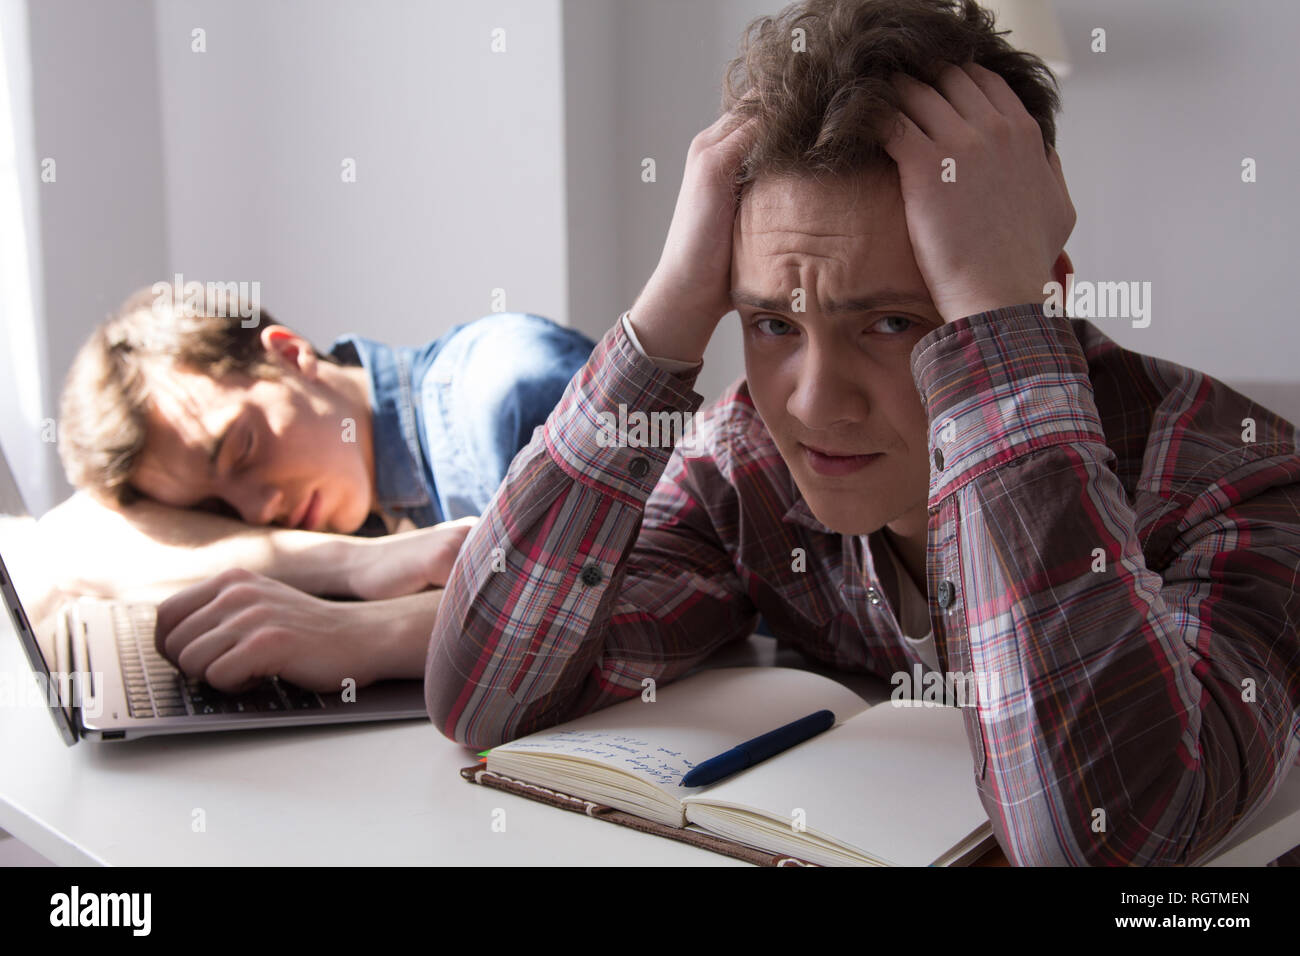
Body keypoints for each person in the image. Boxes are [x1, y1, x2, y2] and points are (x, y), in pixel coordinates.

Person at [424, 0, 1300, 866]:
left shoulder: (1242, 489)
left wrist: (998, 321)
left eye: (890, 323)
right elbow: (488, 702)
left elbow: (1109, 844)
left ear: (1038, 300)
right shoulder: (747, 468)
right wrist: (667, 311)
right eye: (771, 323)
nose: (816, 405)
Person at [49, 283, 593, 693]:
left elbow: (636, 598)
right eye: (212, 508)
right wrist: (348, 563)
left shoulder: (509, 392)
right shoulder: (345, 504)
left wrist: (359, 633)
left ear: (289, 355)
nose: (258, 509)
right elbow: (73, 537)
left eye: (244, 448)